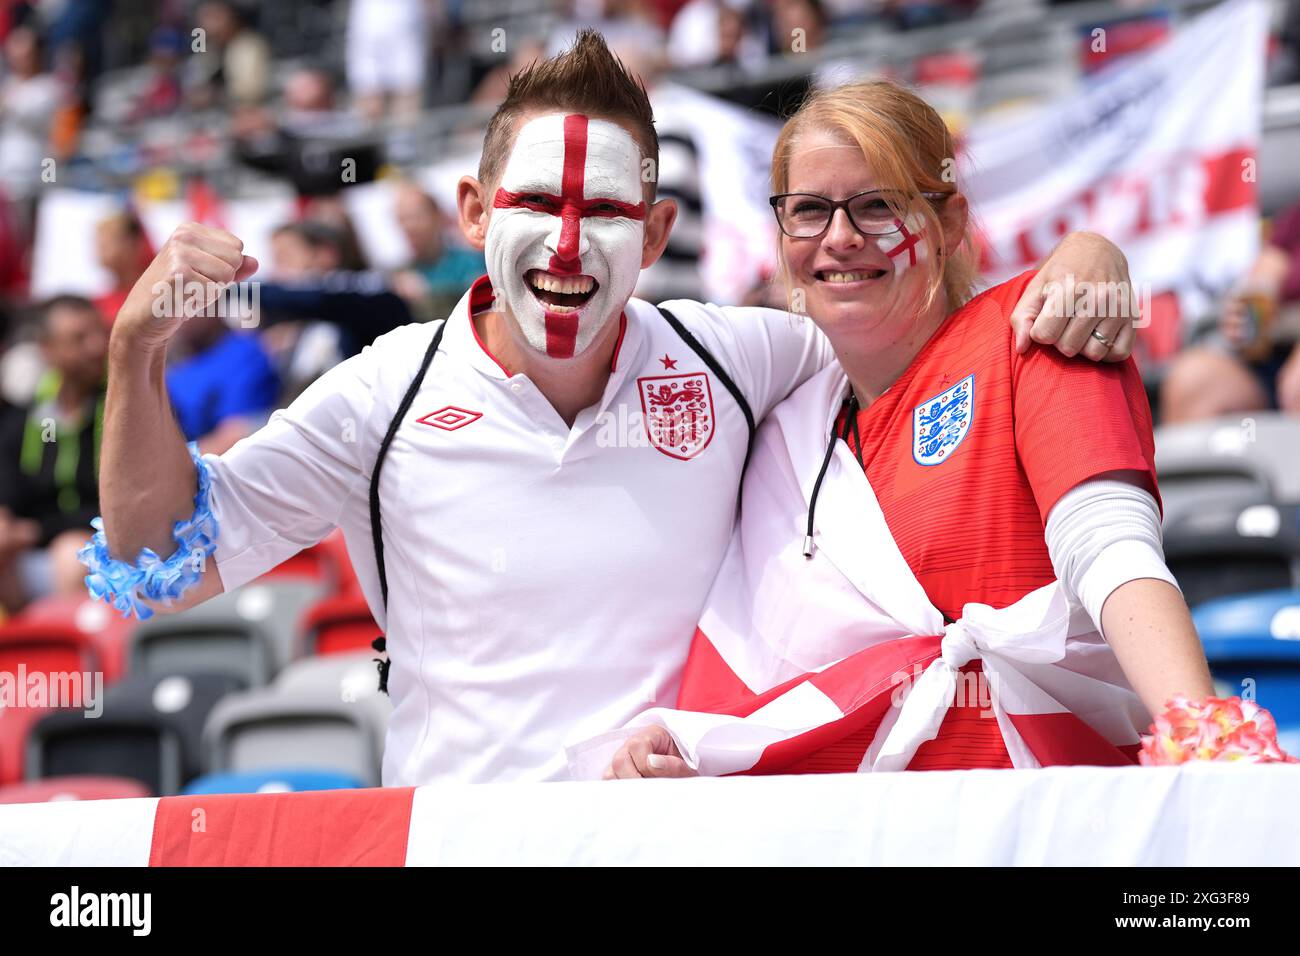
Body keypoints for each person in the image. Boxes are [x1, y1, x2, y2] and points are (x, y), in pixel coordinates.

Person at [88, 32, 1136, 786]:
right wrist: (134, 354)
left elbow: (909, 318)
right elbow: (155, 565)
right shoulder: (384, 390)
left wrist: (1086, 259)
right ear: (472, 211)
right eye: (537, 202)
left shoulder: (742, 356)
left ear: (658, 225)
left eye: (606, 212)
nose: (564, 241)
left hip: (672, 849)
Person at [589, 80, 1222, 780]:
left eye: (878, 206)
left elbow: (1111, 551)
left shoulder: (1034, 330)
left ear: (950, 222)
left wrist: (1199, 730)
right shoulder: (780, 426)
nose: (840, 237)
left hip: (1052, 820)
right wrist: (686, 753)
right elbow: (753, 673)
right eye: (809, 211)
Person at [0, 295, 107, 612]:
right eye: (79, 338)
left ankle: (69, 657)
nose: (96, 347)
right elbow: (11, 482)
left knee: (71, 555)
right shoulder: (30, 417)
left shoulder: (122, 410)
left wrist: (38, 530)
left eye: (99, 333)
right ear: (48, 349)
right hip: (35, 546)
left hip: (100, 546)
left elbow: (119, 501)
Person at [1160, 201, 1300, 422]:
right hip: (1271, 359)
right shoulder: (1295, 219)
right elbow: (1264, 279)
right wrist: (1246, 315)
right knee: (1193, 380)